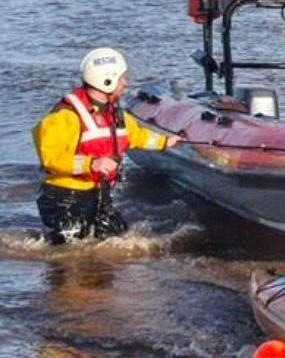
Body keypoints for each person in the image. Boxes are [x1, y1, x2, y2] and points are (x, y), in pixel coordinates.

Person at [31, 48, 183, 244]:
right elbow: (51, 159)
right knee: (71, 252)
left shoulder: (115, 114)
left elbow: (136, 135)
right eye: (122, 79)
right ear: (107, 81)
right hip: (65, 198)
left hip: (98, 194)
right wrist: (92, 164)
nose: (125, 83)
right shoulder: (64, 117)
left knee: (118, 237)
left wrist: (166, 141)